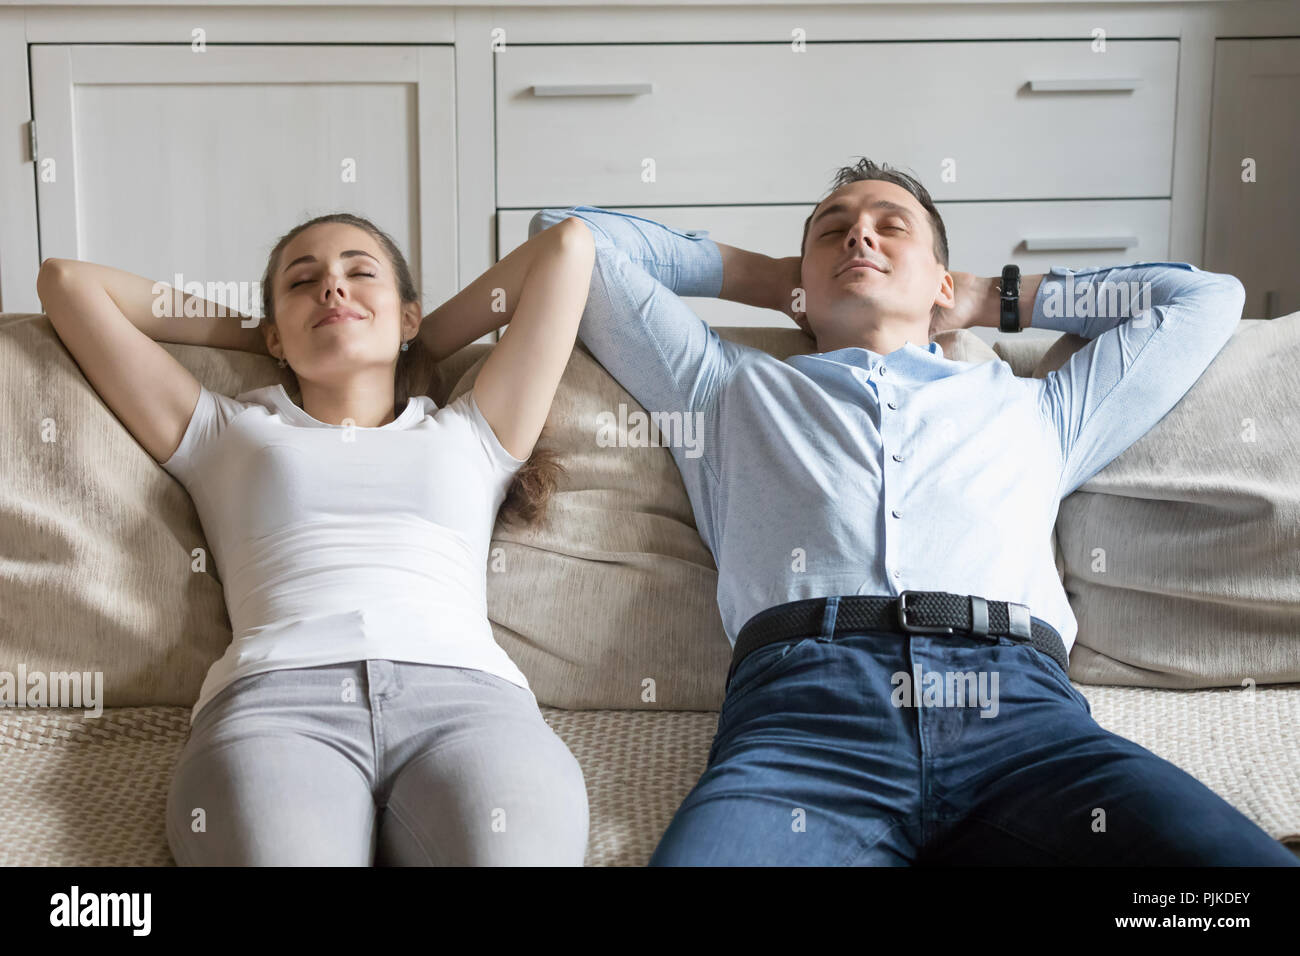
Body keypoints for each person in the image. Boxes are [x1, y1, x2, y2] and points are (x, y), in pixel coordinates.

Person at [523, 158, 1300, 866]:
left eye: (892, 226)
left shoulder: (1043, 409)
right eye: (833, 230)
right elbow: (570, 241)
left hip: (1026, 726)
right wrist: (774, 279)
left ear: (941, 280)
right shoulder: (723, 390)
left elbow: (1203, 299)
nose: (859, 231)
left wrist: (997, 296)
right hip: (804, 727)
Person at [36, 211, 597, 865]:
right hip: (276, 707)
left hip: (471, 707)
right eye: (304, 283)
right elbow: (67, 282)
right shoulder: (228, 431)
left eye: (361, 273)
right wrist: (275, 334)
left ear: (410, 316)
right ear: (273, 333)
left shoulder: (474, 432)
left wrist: (416, 337)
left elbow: (567, 247)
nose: (333, 288)